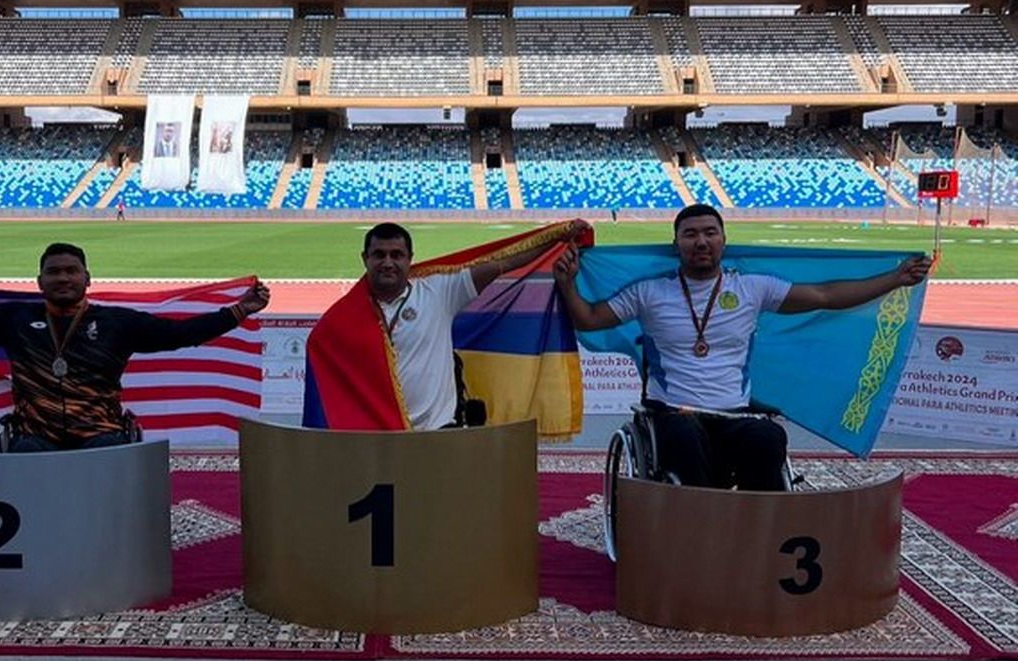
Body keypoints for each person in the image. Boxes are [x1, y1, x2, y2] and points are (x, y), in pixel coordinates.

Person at [554, 204, 931, 491]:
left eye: (710, 233)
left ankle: (759, 534)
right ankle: (702, 530)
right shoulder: (648, 293)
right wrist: (568, 284)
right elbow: (589, 319)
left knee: (769, 439)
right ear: (676, 244)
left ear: (723, 240)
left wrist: (895, 279)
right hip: (672, 412)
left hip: (733, 413)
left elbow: (825, 295)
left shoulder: (752, 289)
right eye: (690, 235)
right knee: (684, 439)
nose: (701, 242)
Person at [0, 243, 270, 452]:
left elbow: (181, 333)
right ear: (39, 280)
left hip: (101, 434)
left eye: (72, 271)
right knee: (27, 470)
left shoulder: (117, 322)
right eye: (53, 271)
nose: (63, 278)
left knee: (108, 472)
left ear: (87, 278)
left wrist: (240, 310)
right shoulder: (14, 319)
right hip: (33, 435)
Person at [359, 221, 584, 430]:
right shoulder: (347, 314)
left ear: (410, 259)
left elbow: (503, 262)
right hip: (375, 433)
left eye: (397, 255)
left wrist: (557, 234)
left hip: (436, 432)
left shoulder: (438, 292)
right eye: (379, 255)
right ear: (365, 259)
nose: (387, 263)